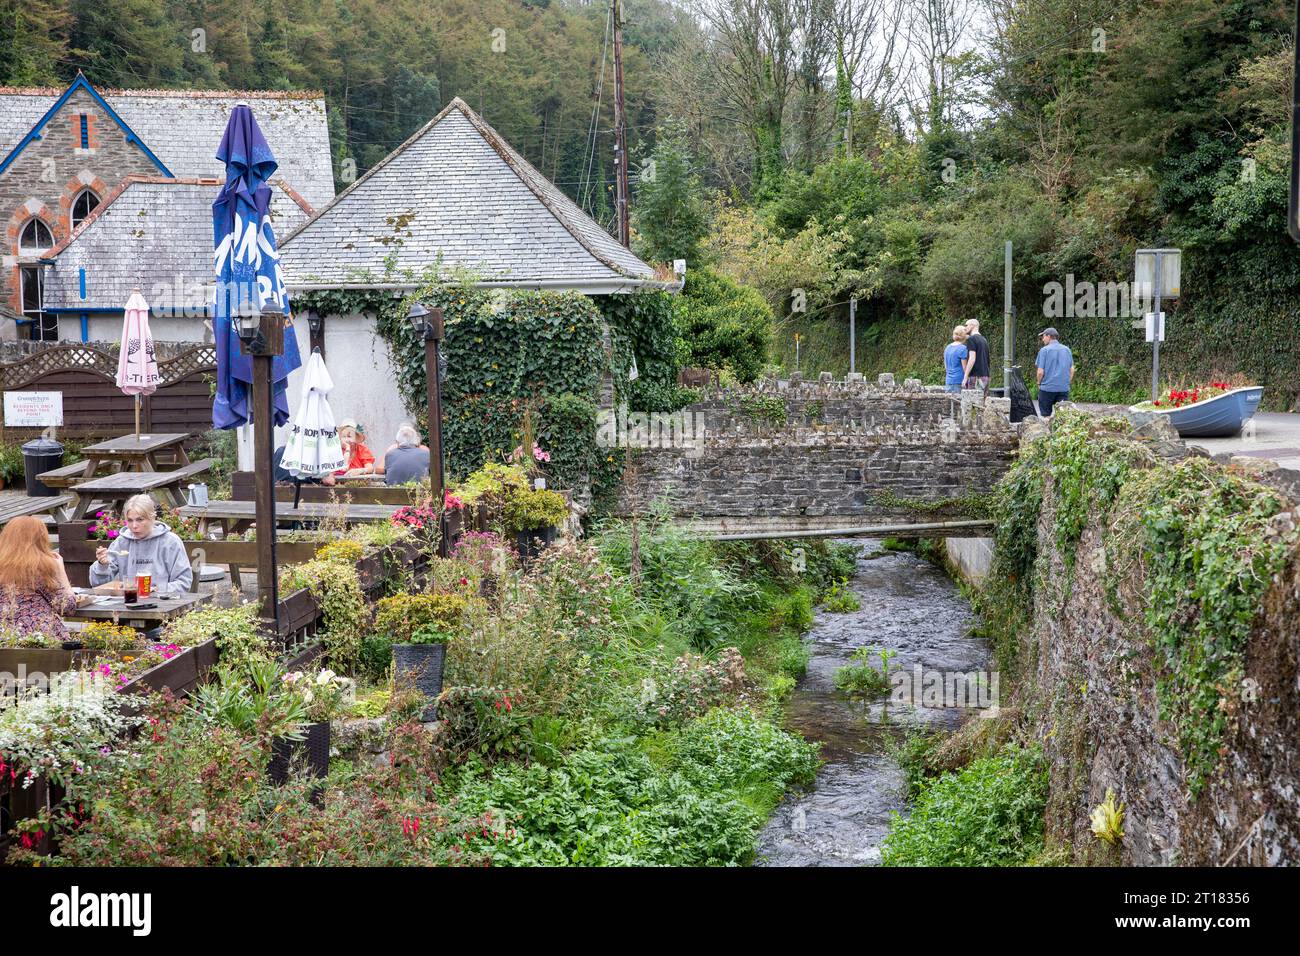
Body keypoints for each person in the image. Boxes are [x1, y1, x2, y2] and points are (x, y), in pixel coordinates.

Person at [89, 494, 193, 595]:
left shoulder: (170, 542)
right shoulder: (122, 542)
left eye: (140, 519)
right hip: (129, 602)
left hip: (162, 602)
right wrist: (102, 565)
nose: (134, 526)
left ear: (152, 517)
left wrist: (155, 590)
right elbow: (98, 585)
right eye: (130, 520)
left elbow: (184, 582)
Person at [0, 516, 82, 643]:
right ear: (40, 539)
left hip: (5, 639)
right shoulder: (38, 568)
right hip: (38, 641)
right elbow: (66, 607)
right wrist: (61, 571)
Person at [1035, 326, 1075, 417]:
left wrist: (1038, 383)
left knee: (1046, 416)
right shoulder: (1067, 349)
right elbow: (1072, 369)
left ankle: (1047, 430)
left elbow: (1040, 372)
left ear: (1049, 336)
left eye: (1043, 337)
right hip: (1063, 389)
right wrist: (1067, 382)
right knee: (1063, 416)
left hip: (1047, 389)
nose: (1042, 339)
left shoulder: (1044, 350)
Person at [963, 319, 991, 396]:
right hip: (985, 376)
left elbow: (972, 359)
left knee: (972, 404)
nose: (965, 327)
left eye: (966, 325)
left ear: (972, 325)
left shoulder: (971, 339)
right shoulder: (983, 339)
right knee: (982, 403)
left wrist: (965, 377)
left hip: (975, 377)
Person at [943, 325, 973, 393]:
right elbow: (965, 368)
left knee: (950, 402)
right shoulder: (963, 349)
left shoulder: (947, 347)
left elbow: (946, 366)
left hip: (948, 380)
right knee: (960, 402)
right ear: (964, 336)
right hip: (959, 380)